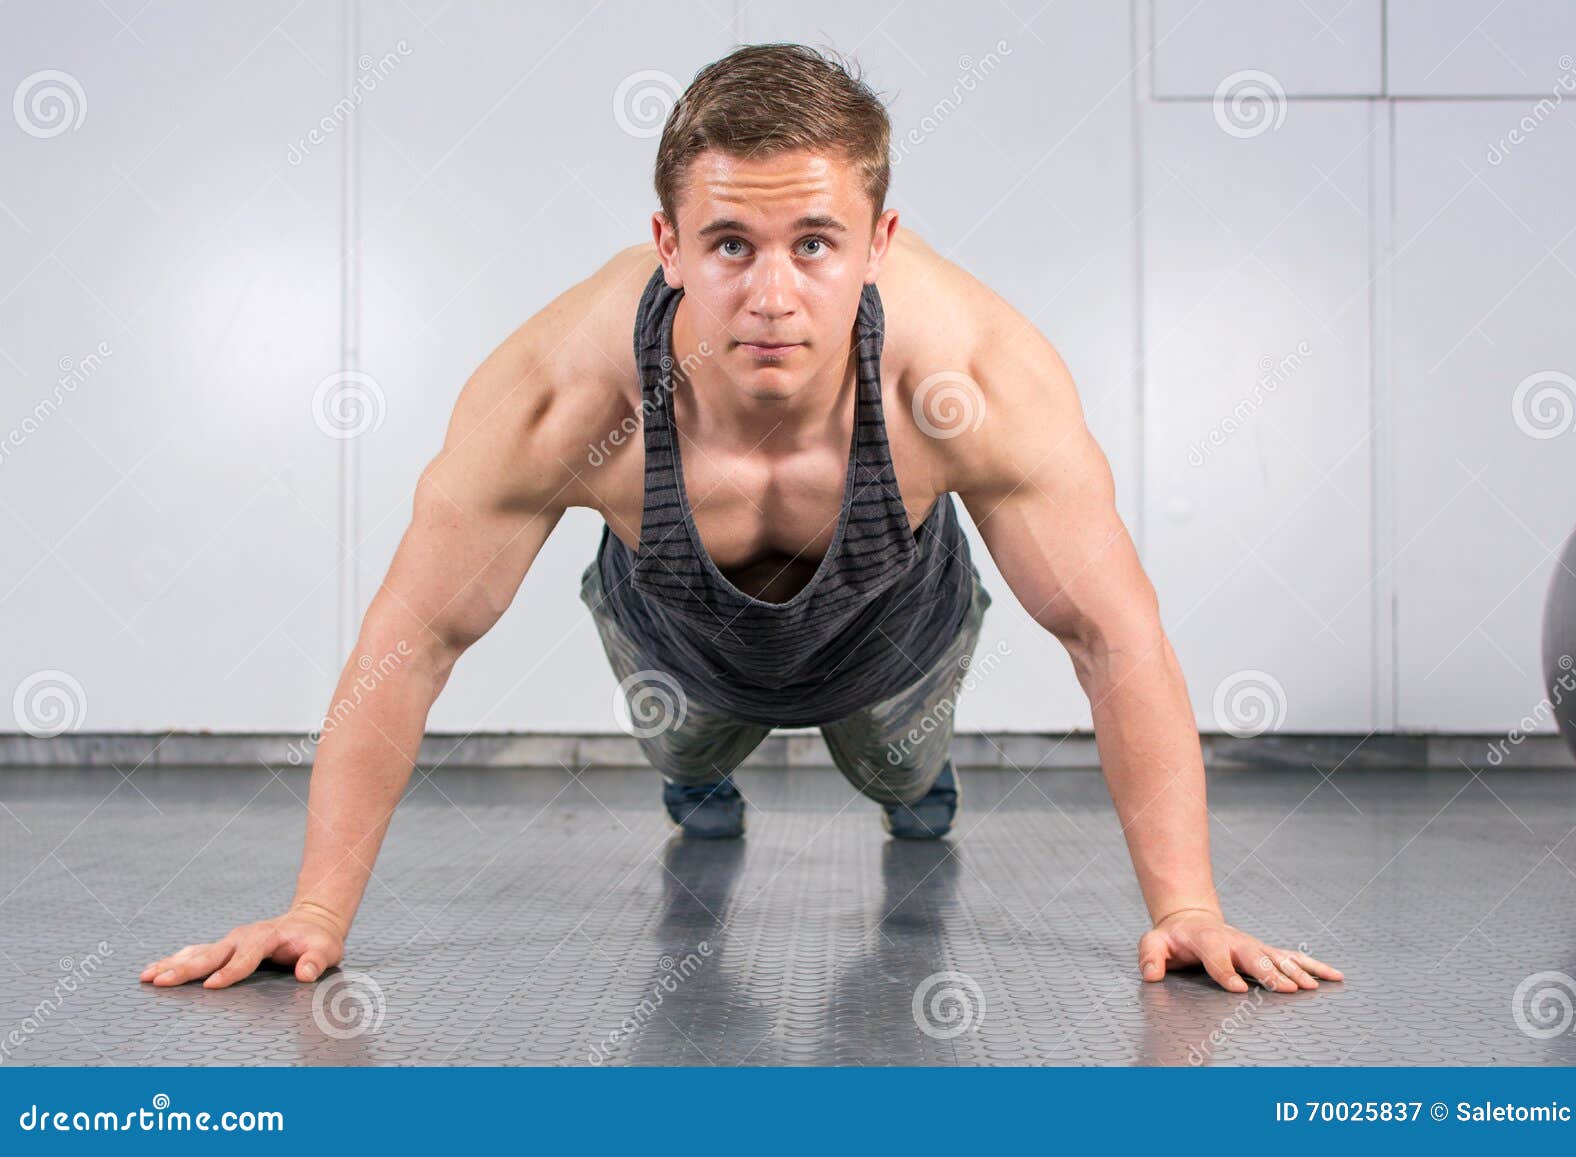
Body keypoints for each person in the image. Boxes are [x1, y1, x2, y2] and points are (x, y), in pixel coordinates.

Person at [139, 44, 1344, 998]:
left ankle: (912, 784)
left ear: (880, 242)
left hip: (892, 645)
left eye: (814, 243)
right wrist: (315, 911)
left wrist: (1186, 907)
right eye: (729, 243)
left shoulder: (967, 380)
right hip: (678, 646)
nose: (772, 294)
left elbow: (1109, 630)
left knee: (898, 760)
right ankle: (699, 776)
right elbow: (413, 637)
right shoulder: (562, 398)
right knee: (687, 746)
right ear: (665, 243)